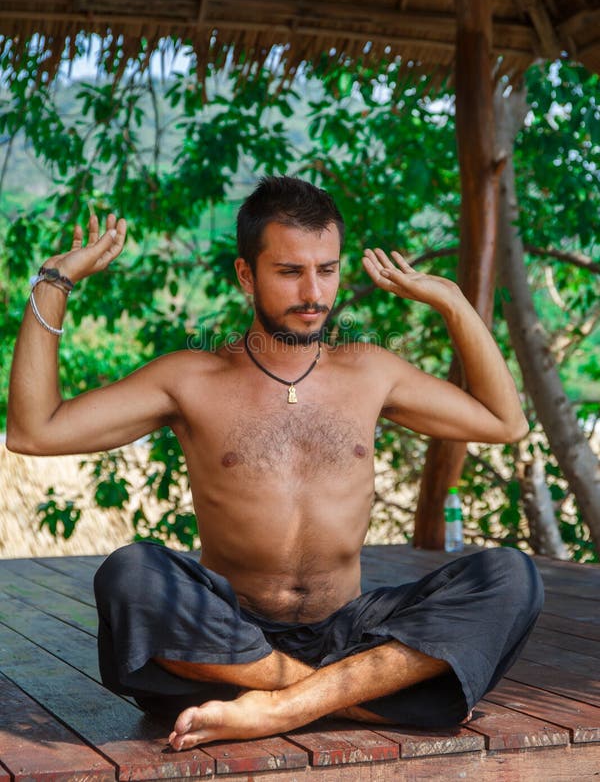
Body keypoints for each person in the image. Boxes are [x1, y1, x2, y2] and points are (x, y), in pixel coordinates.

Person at [7, 175, 543, 752]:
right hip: (228, 641)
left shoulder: (371, 372)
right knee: (130, 573)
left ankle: (279, 708)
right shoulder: (190, 378)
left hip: (350, 630)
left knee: (511, 577)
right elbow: (35, 431)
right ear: (246, 275)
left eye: (328, 270)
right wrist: (54, 282)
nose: (314, 293)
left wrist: (453, 301)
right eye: (290, 272)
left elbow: (503, 422)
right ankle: (339, 697)